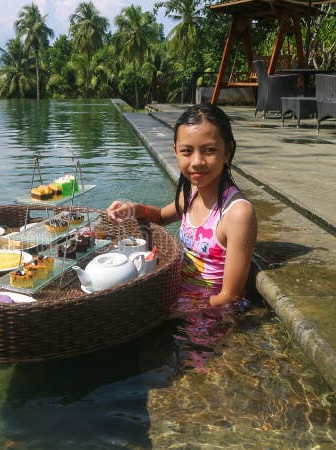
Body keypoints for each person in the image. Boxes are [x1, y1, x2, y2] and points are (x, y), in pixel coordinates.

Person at [107, 103, 257, 327]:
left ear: (227, 152)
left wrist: (170, 312)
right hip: (179, 301)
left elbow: (230, 297)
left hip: (209, 319)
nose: (197, 162)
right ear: (176, 150)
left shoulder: (237, 214)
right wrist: (133, 209)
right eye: (187, 151)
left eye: (209, 150)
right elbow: (160, 216)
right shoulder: (192, 194)